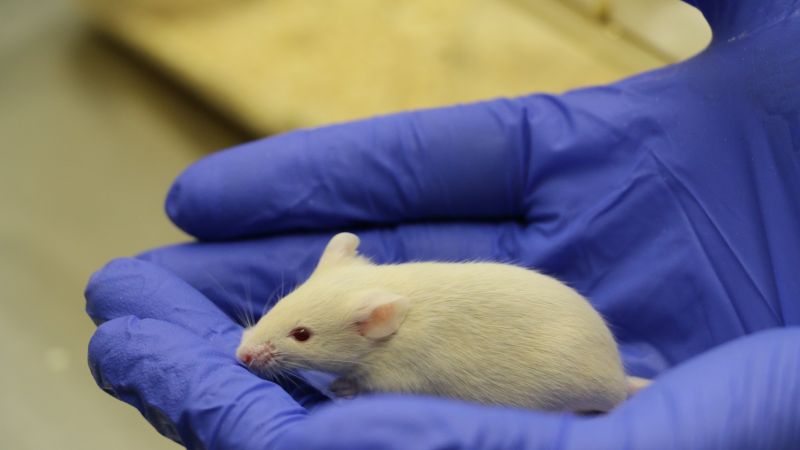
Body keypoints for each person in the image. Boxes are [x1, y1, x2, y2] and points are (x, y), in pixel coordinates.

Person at [85, 0, 800, 448]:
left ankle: (603, 398)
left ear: (376, 322)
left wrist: (352, 386)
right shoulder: (364, 305)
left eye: (297, 336)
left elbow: (396, 384)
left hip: (575, 369)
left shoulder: (390, 339)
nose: (260, 345)